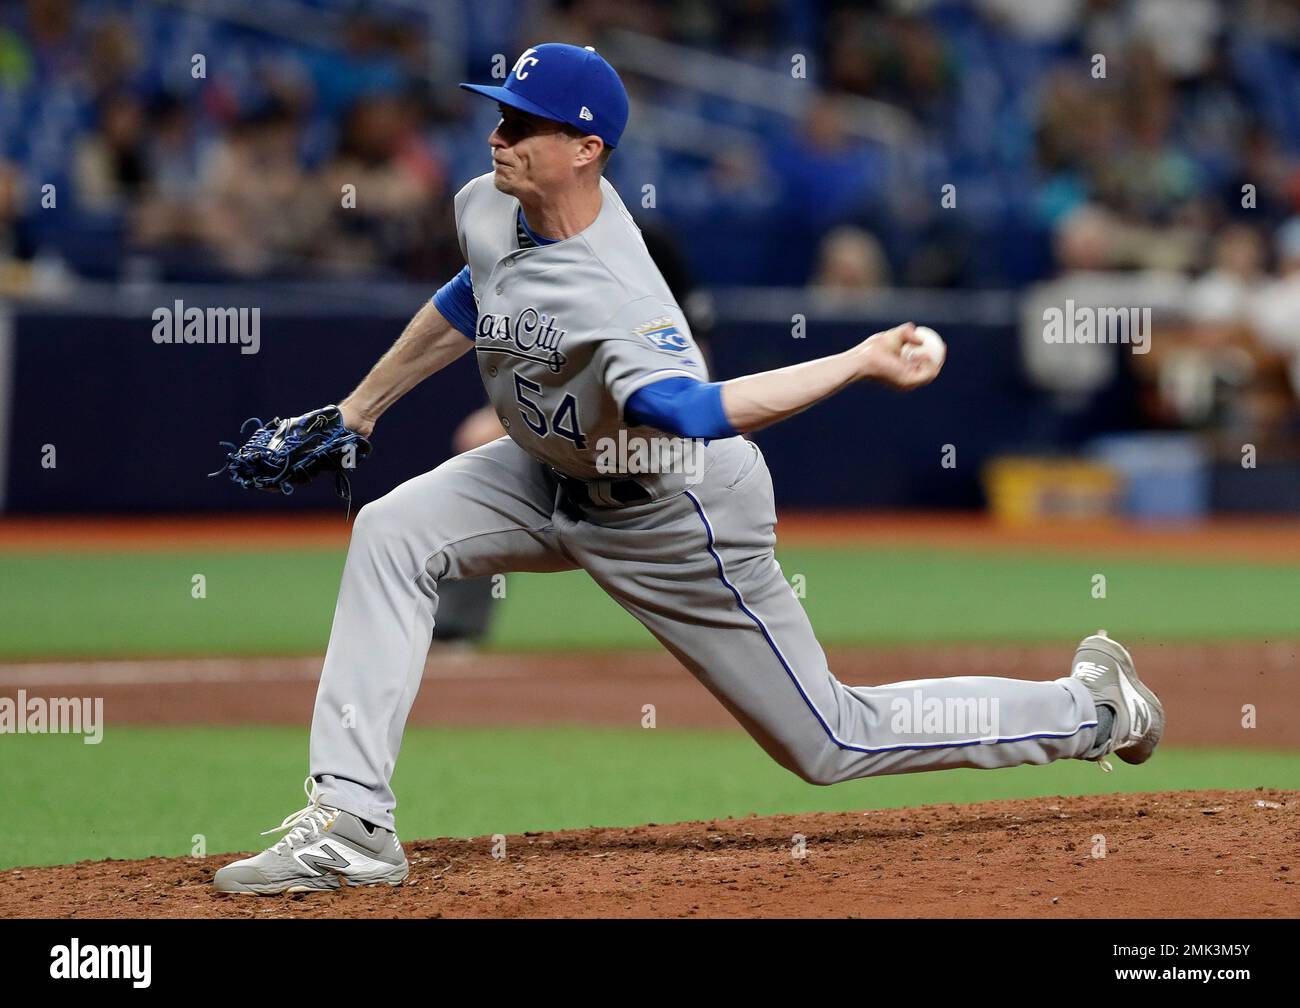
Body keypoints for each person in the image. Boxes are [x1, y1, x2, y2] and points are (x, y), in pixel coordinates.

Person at [213, 44, 1164, 895]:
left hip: (670, 507)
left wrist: (859, 359)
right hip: (541, 470)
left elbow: (698, 414)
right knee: (391, 531)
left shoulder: (619, 296)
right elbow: (472, 294)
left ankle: (1090, 709)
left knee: (829, 741)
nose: (498, 135)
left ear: (588, 148)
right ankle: (353, 825)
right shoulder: (487, 203)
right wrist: (359, 408)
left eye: (524, 124)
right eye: (498, 114)